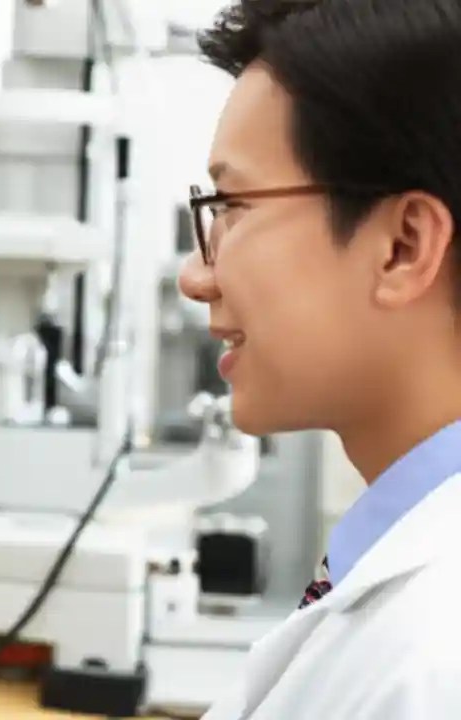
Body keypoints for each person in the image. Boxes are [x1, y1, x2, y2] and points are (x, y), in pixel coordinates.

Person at [180, 1, 461, 717]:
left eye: (233, 205)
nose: (196, 275)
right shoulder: (392, 589)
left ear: (403, 246)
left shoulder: (430, 663)